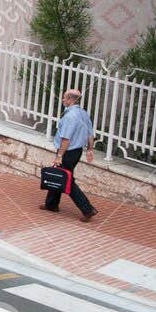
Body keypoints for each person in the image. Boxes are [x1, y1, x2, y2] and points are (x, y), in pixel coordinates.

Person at [44, 88, 98, 221]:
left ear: (70, 99)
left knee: (67, 179)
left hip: (67, 151)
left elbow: (66, 139)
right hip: (77, 151)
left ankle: (87, 209)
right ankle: (51, 204)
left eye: (64, 98)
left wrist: (59, 155)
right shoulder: (84, 114)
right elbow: (90, 134)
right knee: (59, 175)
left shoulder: (70, 116)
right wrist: (90, 149)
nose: (62, 100)